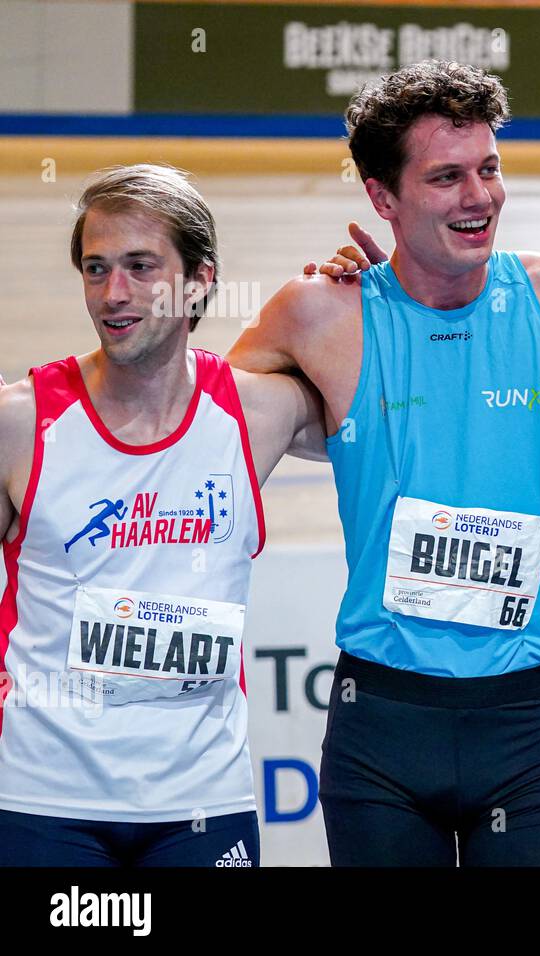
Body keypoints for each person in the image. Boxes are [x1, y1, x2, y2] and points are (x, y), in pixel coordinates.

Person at [227, 59, 540, 867]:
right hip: (379, 726)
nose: (480, 197)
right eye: (447, 177)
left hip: (526, 729)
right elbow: (201, 437)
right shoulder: (320, 310)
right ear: (381, 199)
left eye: (490, 169)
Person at [0, 164, 325, 866]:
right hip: (42, 803)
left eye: (140, 268)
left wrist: (363, 293)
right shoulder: (20, 423)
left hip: (204, 805)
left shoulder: (258, 411)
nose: (113, 295)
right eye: (96, 269)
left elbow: (400, 413)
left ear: (200, 278)